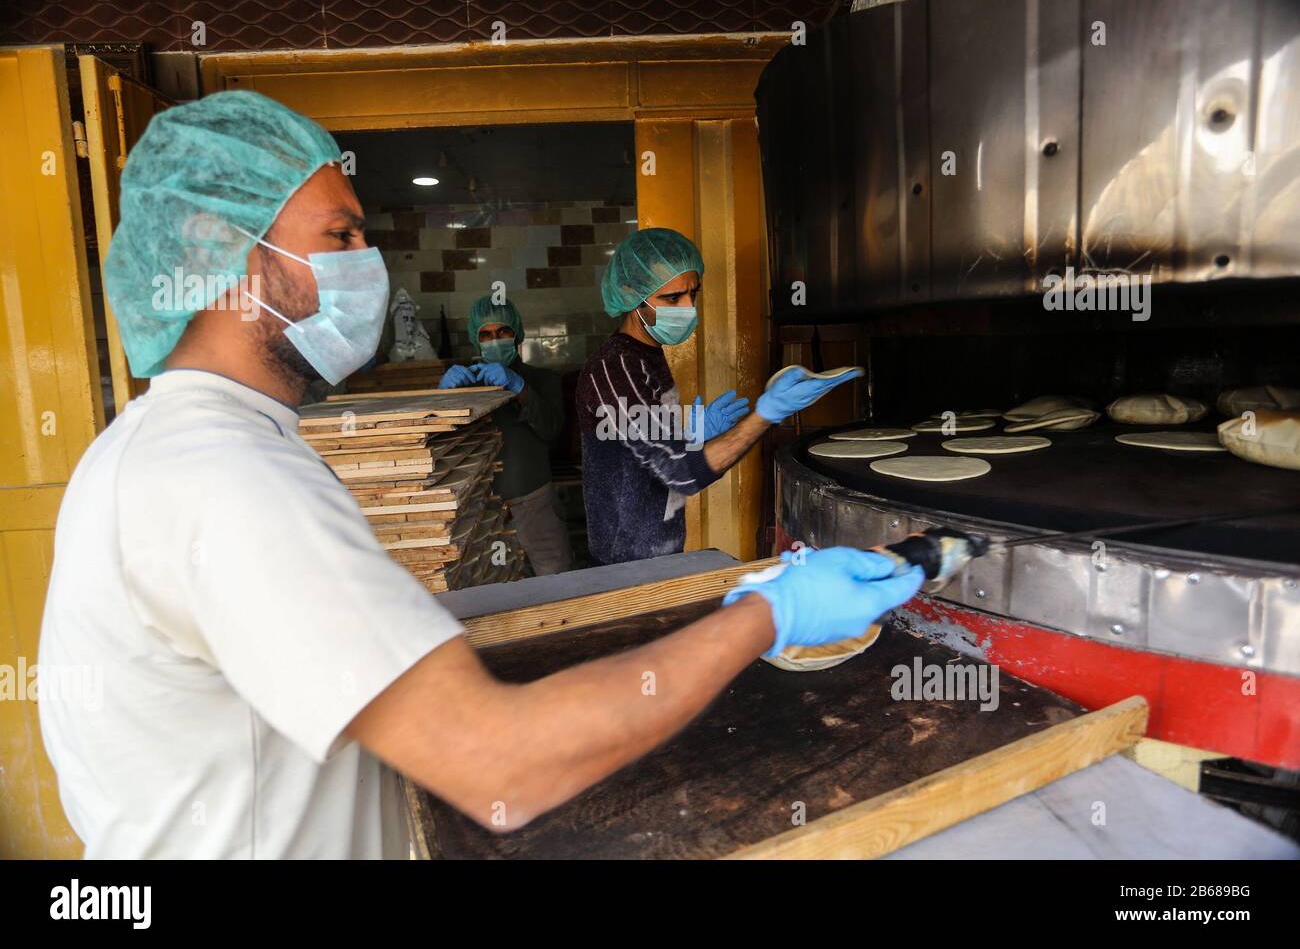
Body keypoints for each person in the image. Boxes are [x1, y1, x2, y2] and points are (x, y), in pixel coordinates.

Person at [37, 90, 922, 858]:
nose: (365, 266)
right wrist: (772, 612)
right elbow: (503, 761)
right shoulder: (223, 478)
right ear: (230, 258)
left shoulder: (165, 446)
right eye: (339, 235)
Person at [577, 228, 857, 565]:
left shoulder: (645, 354)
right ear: (629, 293)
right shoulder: (615, 367)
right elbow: (680, 472)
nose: (689, 308)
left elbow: (638, 440)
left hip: (656, 553)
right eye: (672, 298)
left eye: (693, 294)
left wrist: (685, 431)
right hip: (622, 566)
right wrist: (765, 415)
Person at [439, 296, 571, 575]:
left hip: (535, 504)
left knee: (558, 584)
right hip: (482, 510)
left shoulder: (543, 380)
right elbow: (441, 448)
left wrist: (520, 388)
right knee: (499, 590)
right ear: (476, 341)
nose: (494, 340)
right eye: (485, 334)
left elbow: (551, 430)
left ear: (518, 333)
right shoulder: (468, 385)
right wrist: (442, 401)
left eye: (503, 332)